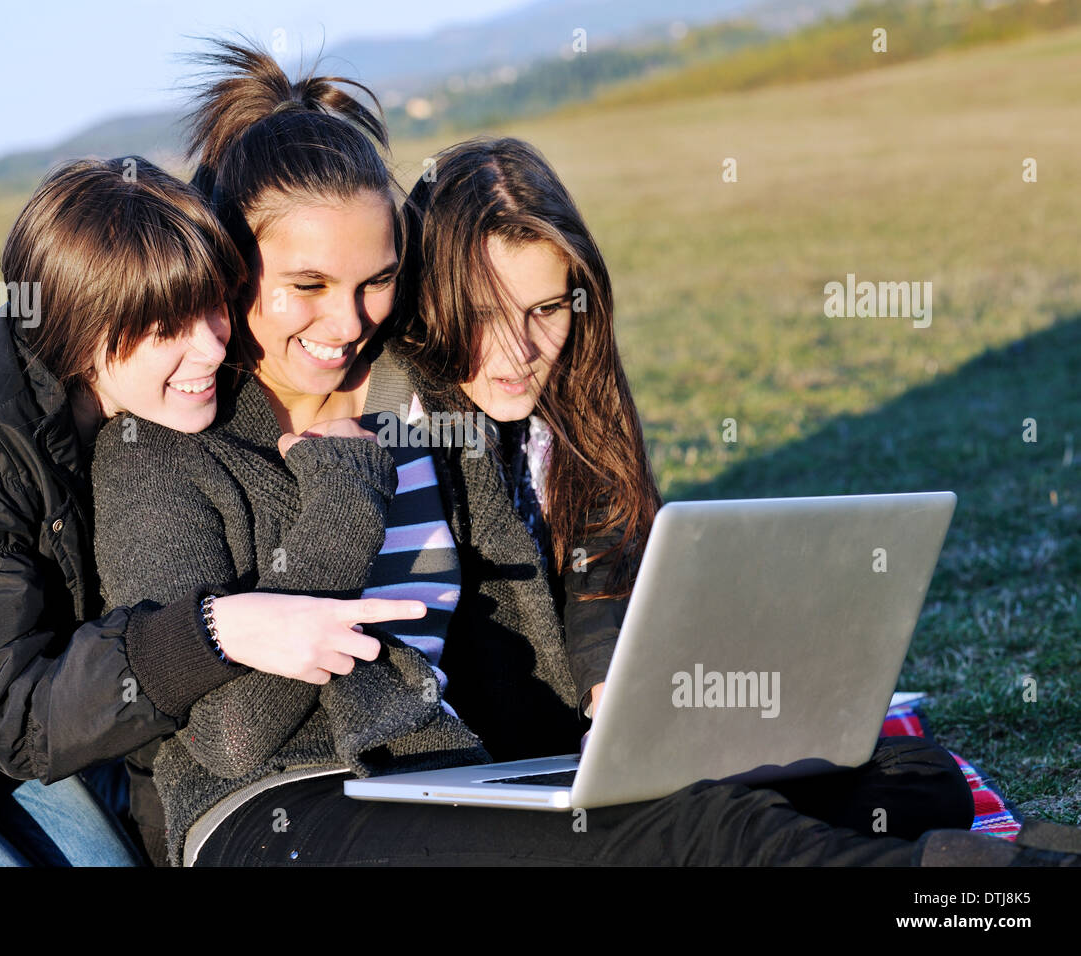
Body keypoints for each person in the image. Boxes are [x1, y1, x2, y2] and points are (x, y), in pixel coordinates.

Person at [89, 40, 1080, 866]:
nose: (347, 320)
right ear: (233, 266)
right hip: (272, 814)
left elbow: (518, 654)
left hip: (445, 771)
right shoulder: (164, 452)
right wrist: (341, 496)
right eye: (306, 284)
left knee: (893, 777)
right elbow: (227, 737)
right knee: (704, 829)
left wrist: (640, 713)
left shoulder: (432, 419)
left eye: (374, 281)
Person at [0, 156, 419, 866]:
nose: (211, 345)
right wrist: (211, 633)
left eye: (214, 302)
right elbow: (18, 717)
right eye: (168, 327)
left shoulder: (121, 386)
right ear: (86, 330)